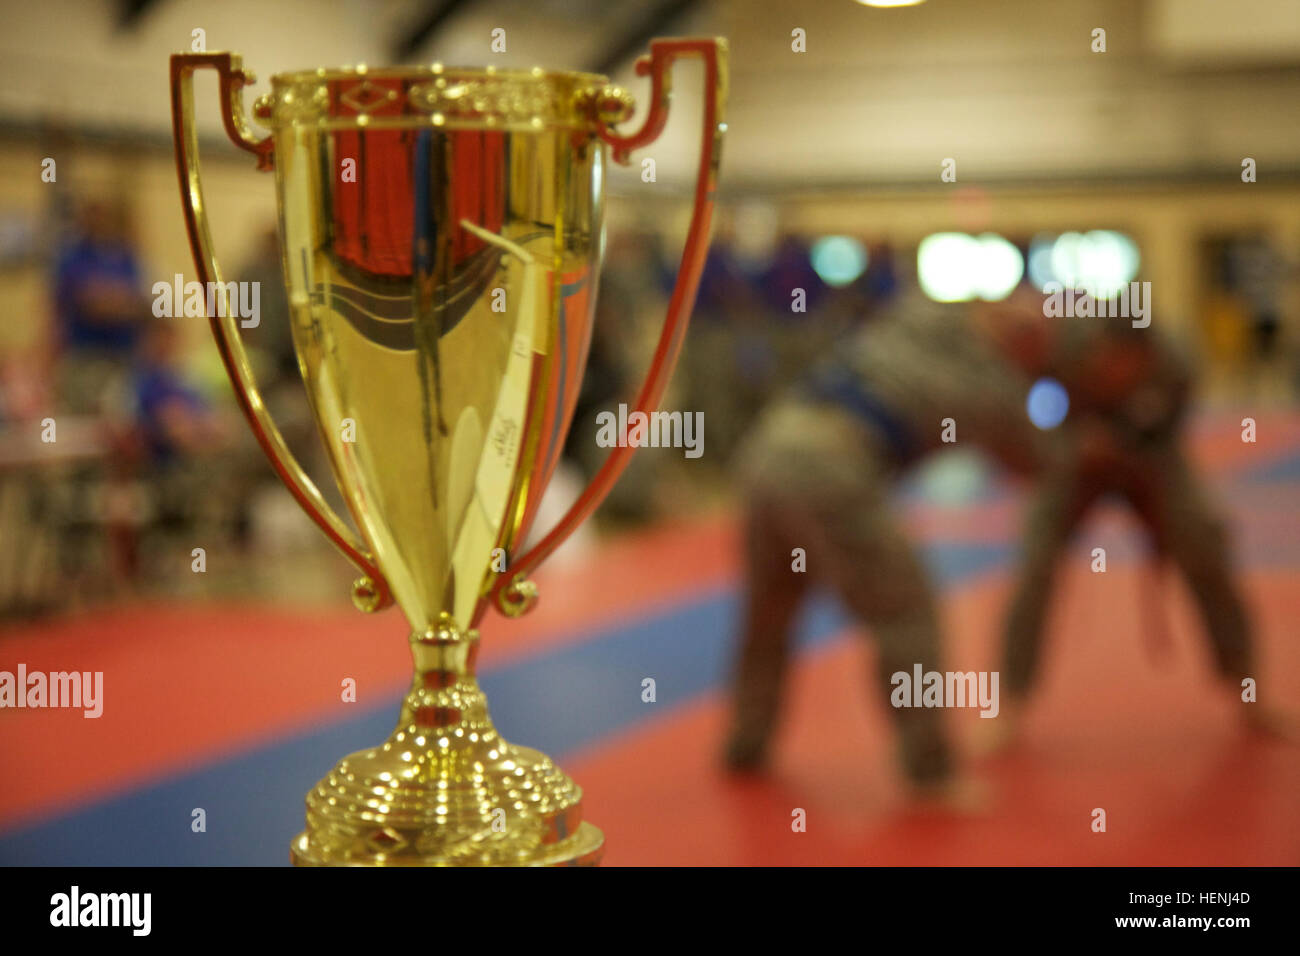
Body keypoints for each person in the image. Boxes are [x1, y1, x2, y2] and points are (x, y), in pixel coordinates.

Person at [723, 290, 1045, 800]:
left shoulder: (913, 318)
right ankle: (931, 774)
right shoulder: (994, 384)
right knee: (906, 614)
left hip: (767, 448)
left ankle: (745, 745)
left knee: (770, 611)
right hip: (829, 465)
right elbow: (1033, 461)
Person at [995, 303, 1292, 743]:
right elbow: (1024, 413)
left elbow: (1166, 431)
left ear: (1147, 356)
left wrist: (1122, 444)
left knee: (1205, 545)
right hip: (1074, 458)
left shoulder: (1175, 366)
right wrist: (1072, 444)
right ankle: (1010, 703)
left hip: (1152, 459)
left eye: (1130, 364)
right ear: (1096, 348)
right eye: (1109, 361)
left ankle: (1250, 693)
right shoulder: (1063, 349)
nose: (1117, 372)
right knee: (1034, 562)